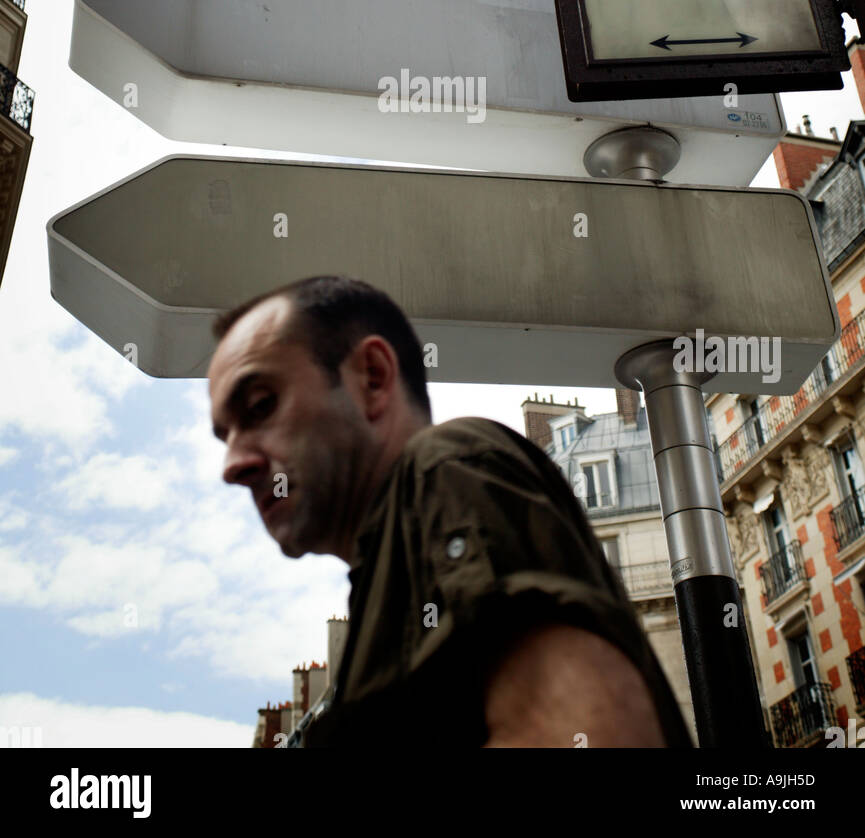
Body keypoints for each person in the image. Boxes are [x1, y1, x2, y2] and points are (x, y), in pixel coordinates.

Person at [208, 274, 694, 748]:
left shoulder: (445, 467)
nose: (233, 464)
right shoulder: (390, 565)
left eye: (260, 405)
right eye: (224, 434)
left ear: (372, 378)